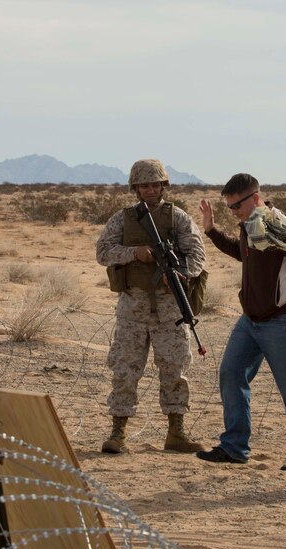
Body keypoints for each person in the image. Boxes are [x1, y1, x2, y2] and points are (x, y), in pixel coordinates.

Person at [197, 174, 286, 472]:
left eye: (236, 206)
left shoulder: (275, 222)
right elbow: (242, 254)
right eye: (229, 207)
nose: (234, 212)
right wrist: (211, 230)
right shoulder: (250, 225)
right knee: (231, 373)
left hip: (283, 320)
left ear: (255, 198)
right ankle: (234, 448)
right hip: (251, 320)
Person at [95, 158, 207, 455]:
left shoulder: (178, 218)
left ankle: (176, 433)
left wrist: (180, 273)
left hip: (169, 309)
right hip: (132, 308)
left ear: (163, 186)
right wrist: (135, 253)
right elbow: (103, 252)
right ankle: (118, 433)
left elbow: (197, 254)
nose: (150, 190)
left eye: (155, 184)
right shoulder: (123, 219)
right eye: (144, 185)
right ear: (135, 188)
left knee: (174, 369)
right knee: (124, 370)